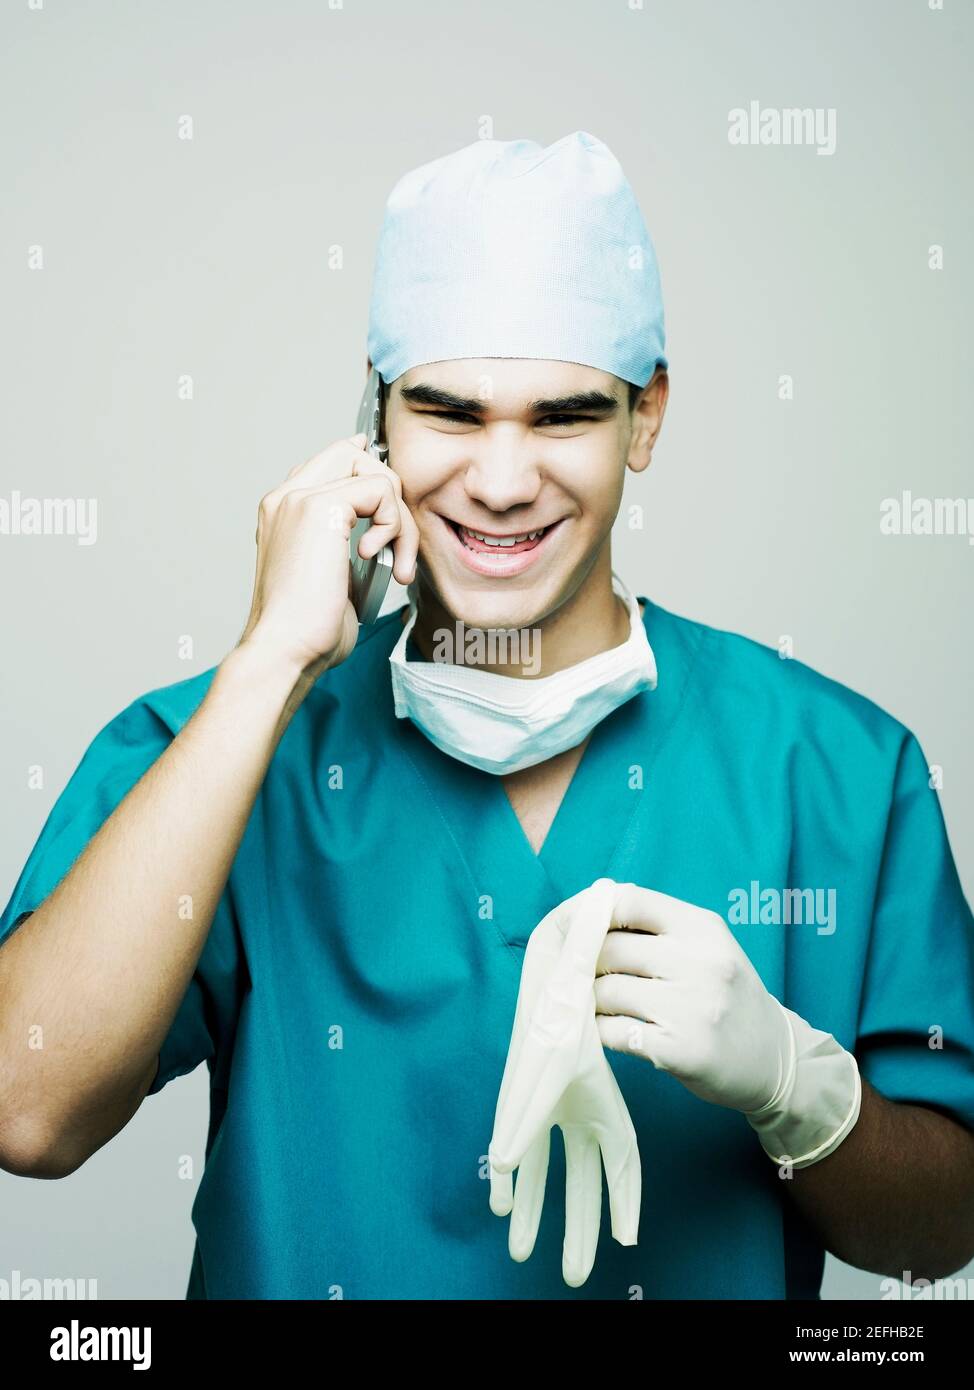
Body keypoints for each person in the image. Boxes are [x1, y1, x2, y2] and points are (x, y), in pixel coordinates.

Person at [1, 132, 972, 1301]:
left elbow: (940, 1235)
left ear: (645, 418)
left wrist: (797, 1090)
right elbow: (26, 1107)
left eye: (560, 415)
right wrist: (270, 661)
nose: (501, 480)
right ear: (374, 420)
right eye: (447, 410)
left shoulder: (833, 772)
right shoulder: (223, 754)